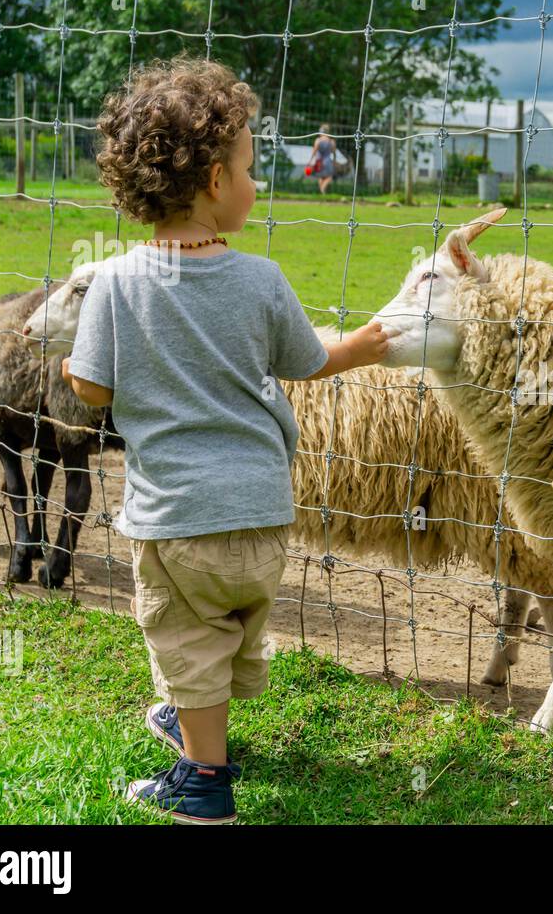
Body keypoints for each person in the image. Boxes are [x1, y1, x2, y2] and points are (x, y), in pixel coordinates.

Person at [61, 56, 387, 824]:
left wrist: (94, 370)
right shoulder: (262, 280)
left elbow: (92, 389)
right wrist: (363, 348)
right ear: (213, 181)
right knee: (231, 631)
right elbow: (310, 362)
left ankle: (205, 781)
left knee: (184, 637)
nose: (256, 182)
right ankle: (194, 722)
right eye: (249, 168)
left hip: (177, 518)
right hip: (266, 514)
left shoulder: (112, 283)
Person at [308, 123, 337, 195]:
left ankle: (322, 191)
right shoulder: (331, 141)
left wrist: (310, 161)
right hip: (327, 161)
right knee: (329, 177)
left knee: (321, 177)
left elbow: (314, 151)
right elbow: (333, 152)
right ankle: (322, 190)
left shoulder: (318, 140)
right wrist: (334, 161)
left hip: (319, 161)